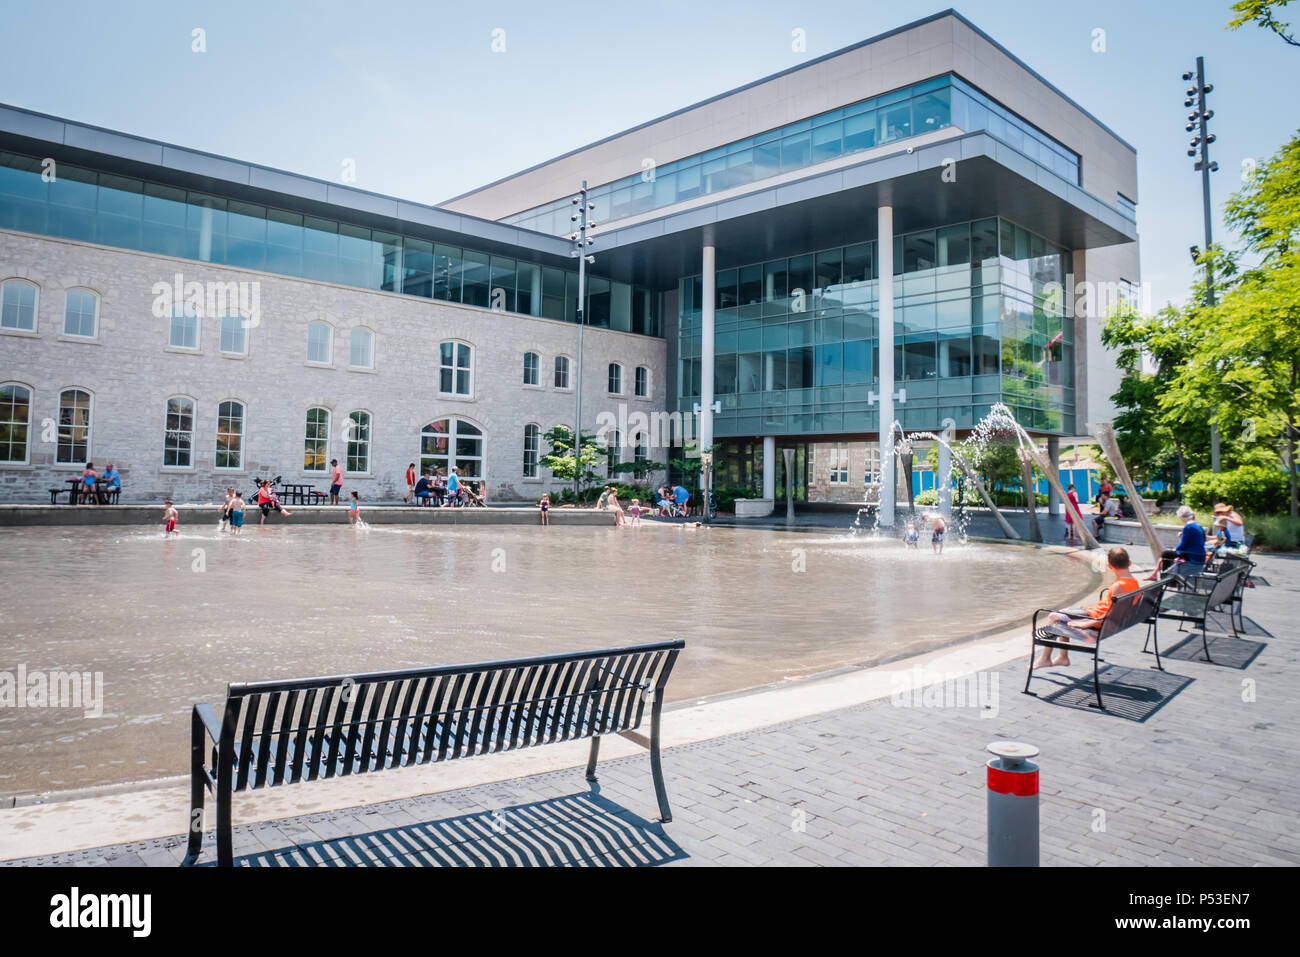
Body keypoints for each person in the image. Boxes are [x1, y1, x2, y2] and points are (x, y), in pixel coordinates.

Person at [1033, 547, 1140, 669]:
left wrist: (1087, 624)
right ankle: (1062, 657)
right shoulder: (1134, 582)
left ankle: (1045, 659)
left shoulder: (1118, 586)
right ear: (1129, 563)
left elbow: (1111, 615)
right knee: (1063, 613)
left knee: (1054, 616)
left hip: (1095, 618)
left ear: (1109, 566)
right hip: (1095, 613)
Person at [1151, 505, 1206, 580]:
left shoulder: (1188, 527)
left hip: (1192, 555)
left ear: (1182, 517)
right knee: (1168, 554)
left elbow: (1183, 545)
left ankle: (1166, 578)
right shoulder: (1198, 526)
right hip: (1200, 555)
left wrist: (1175, 549)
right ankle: (1155, 574)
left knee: (1165, 554)